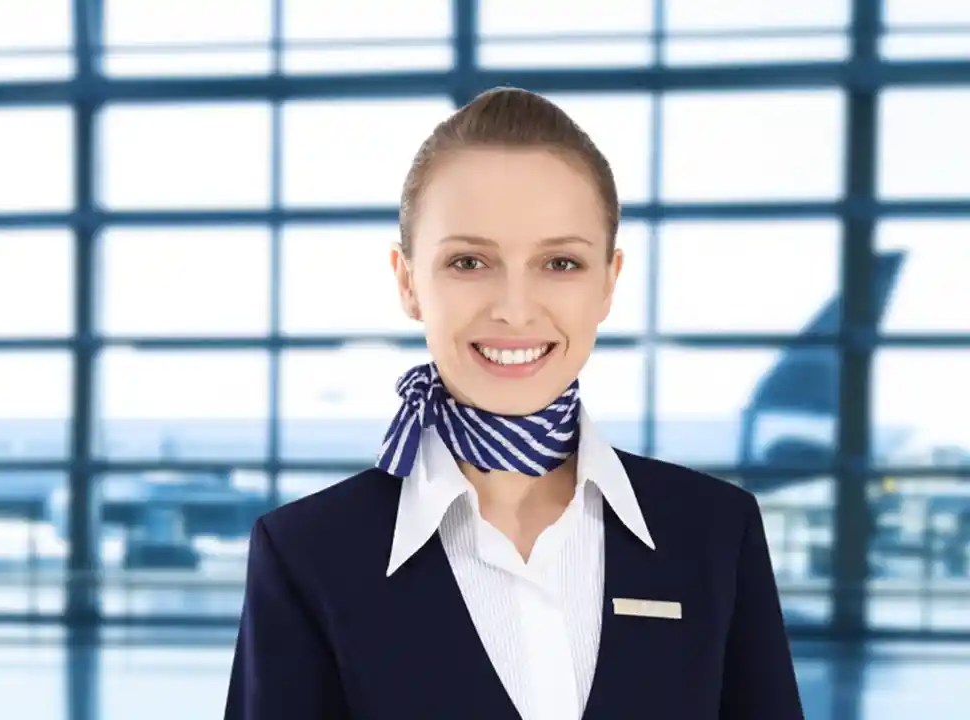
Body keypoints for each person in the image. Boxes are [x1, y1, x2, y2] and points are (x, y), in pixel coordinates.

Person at [224, 86, 804, 719]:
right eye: (470, 262)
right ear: (408, 281)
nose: (515, 309)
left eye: (560, 263)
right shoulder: (307, 555)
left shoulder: (714, 535)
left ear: (608, 284)